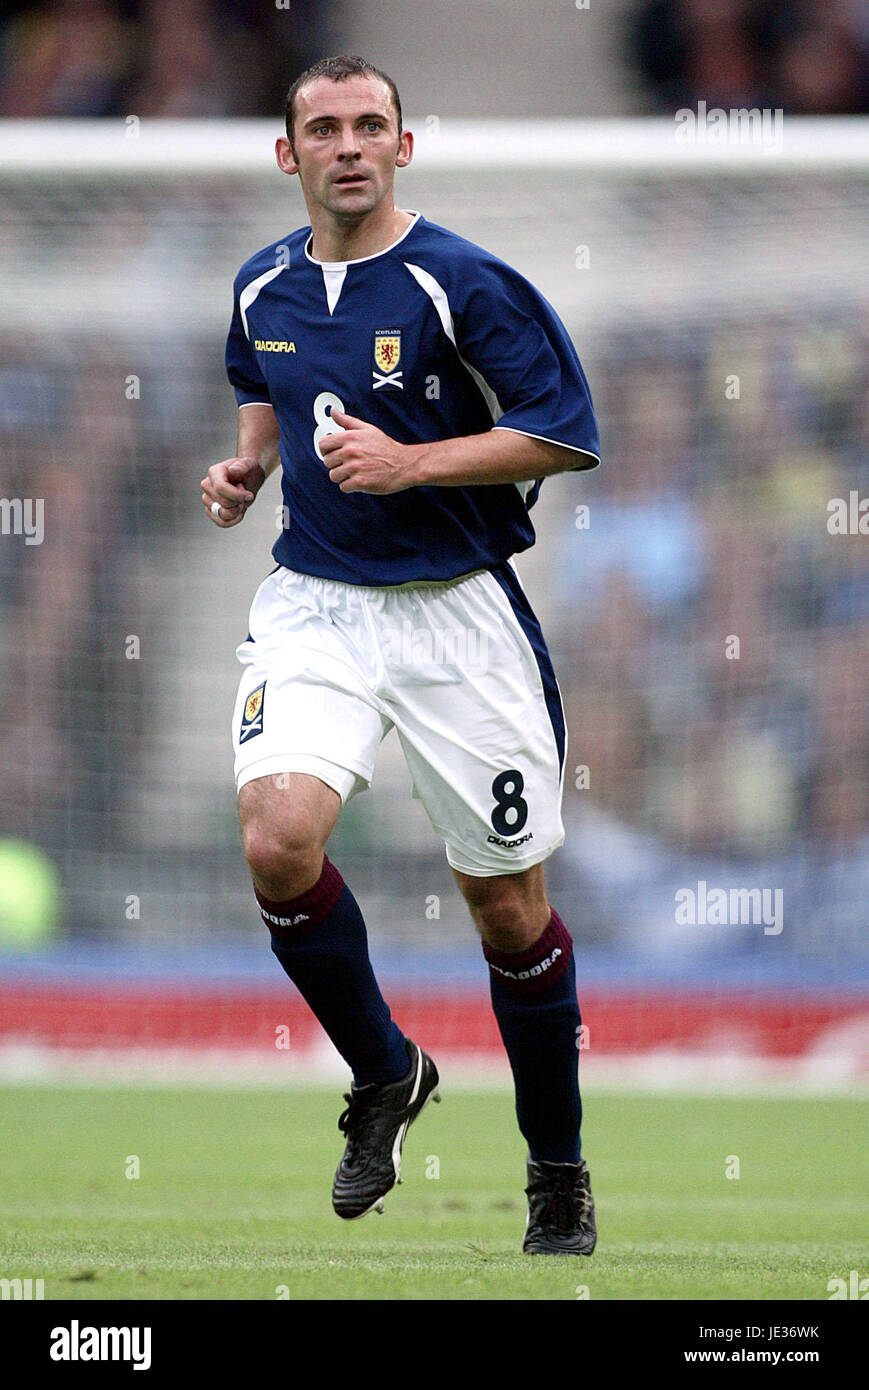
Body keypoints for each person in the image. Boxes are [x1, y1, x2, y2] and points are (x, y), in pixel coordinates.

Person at [201, 54, 600, 1256]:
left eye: (370, 124)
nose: (348, 145)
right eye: (322, 128)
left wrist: (414, 462)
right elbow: (264, 392)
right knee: (277, 838)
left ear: (402, 146)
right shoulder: (260, 283)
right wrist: (248, 466)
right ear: (289, 155)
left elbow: (563, 439)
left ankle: (556, 1173)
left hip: (457, 618)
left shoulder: (462, 281)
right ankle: (385, 1072)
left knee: (507, 909)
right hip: (315, 605)